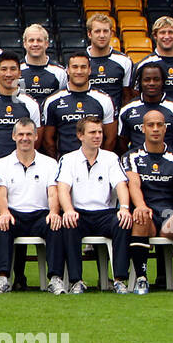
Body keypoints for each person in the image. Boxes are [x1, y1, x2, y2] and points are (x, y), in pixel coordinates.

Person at [54, 117, 134, 294]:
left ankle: (119, 279)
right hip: (79, 213)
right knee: (68, 223)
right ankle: (77, 281)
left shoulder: (111, 158)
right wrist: (68, 210)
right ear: (80, 135)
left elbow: (121, 184)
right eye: (92, 132)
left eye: (100, 132)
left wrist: (125, 208)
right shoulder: (68, 159)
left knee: (123, 222)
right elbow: (62, 189)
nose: (97, 136)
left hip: (105, 213)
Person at [123, 108, 173, 295]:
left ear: (165, 129)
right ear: (143, 129)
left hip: (168, 216)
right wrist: (140, 206)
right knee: (141, 217)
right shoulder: (131, 156)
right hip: (147, 213)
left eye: (159, 125)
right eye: (151, 125)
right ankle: (141, 278)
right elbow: (134, 185)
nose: (155, 129)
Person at [0, 119, 63, 294]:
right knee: (2, 223)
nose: (25, 138)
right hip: (14, 214)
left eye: (29, 134)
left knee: (55, 224)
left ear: (36, 136)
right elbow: (1, 193)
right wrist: (4, 212)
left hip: (40, 214)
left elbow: (53, 193)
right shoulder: (2, 163)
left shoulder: (50, 163)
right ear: (14, 136)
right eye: (21, 134)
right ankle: (2, 278)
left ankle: (55, 279)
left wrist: (54, 212)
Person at [40, 51, 117, 158]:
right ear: (67, 70)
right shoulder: (52, 100)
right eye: (75, 67)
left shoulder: (104, 100)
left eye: (83, 67)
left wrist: (99, 159)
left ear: (89, 70)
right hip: (65, 161)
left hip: (95, 162)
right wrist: (59, 161)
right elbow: (48, 139)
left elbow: (110, 138)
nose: (79, 71)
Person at [117, 62, 173, 155]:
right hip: (136, 165)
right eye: (147, 80)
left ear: (163, 81)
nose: (151, 83)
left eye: (156, 79)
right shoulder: (127, 109)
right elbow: (122, 143)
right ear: (140, 82)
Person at [85, 12, 134, 108]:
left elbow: (127, 94)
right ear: (89, 34)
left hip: (114, 119)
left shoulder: (124, 61)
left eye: (105, 31)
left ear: (111, 33)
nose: (102, 35)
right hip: (87, 117)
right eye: (97, 31)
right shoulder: (79, 61)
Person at [19, 24, 66, 105]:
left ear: (46, 44)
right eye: (31, 40)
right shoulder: (16, 70)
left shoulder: (59, 72)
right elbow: (14, 101)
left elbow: (63, 101)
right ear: (24, 44)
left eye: (39, 40)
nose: (35, 44)